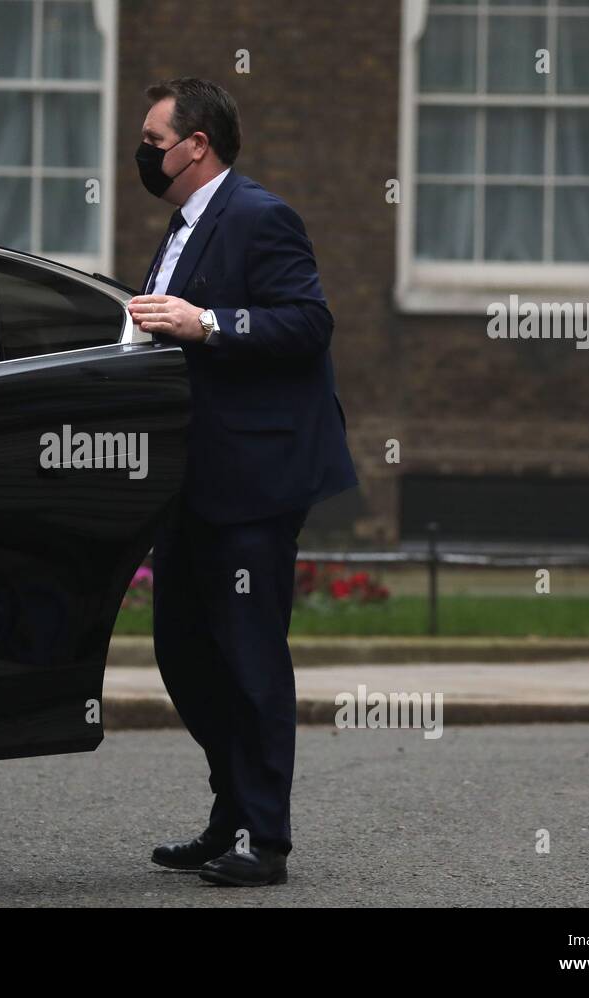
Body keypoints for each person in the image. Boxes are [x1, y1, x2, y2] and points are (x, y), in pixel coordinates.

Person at [126, 78, 356, 887]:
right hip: (193, 476)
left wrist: (207, 322)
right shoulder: (182, 227)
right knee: (183, 650)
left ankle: (268, 839)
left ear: (197, 145)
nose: (144, 151)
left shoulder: (261, 215)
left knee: (251, 656)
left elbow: (308, 320)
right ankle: (230, 812)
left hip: (256, 478)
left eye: (154, 139)